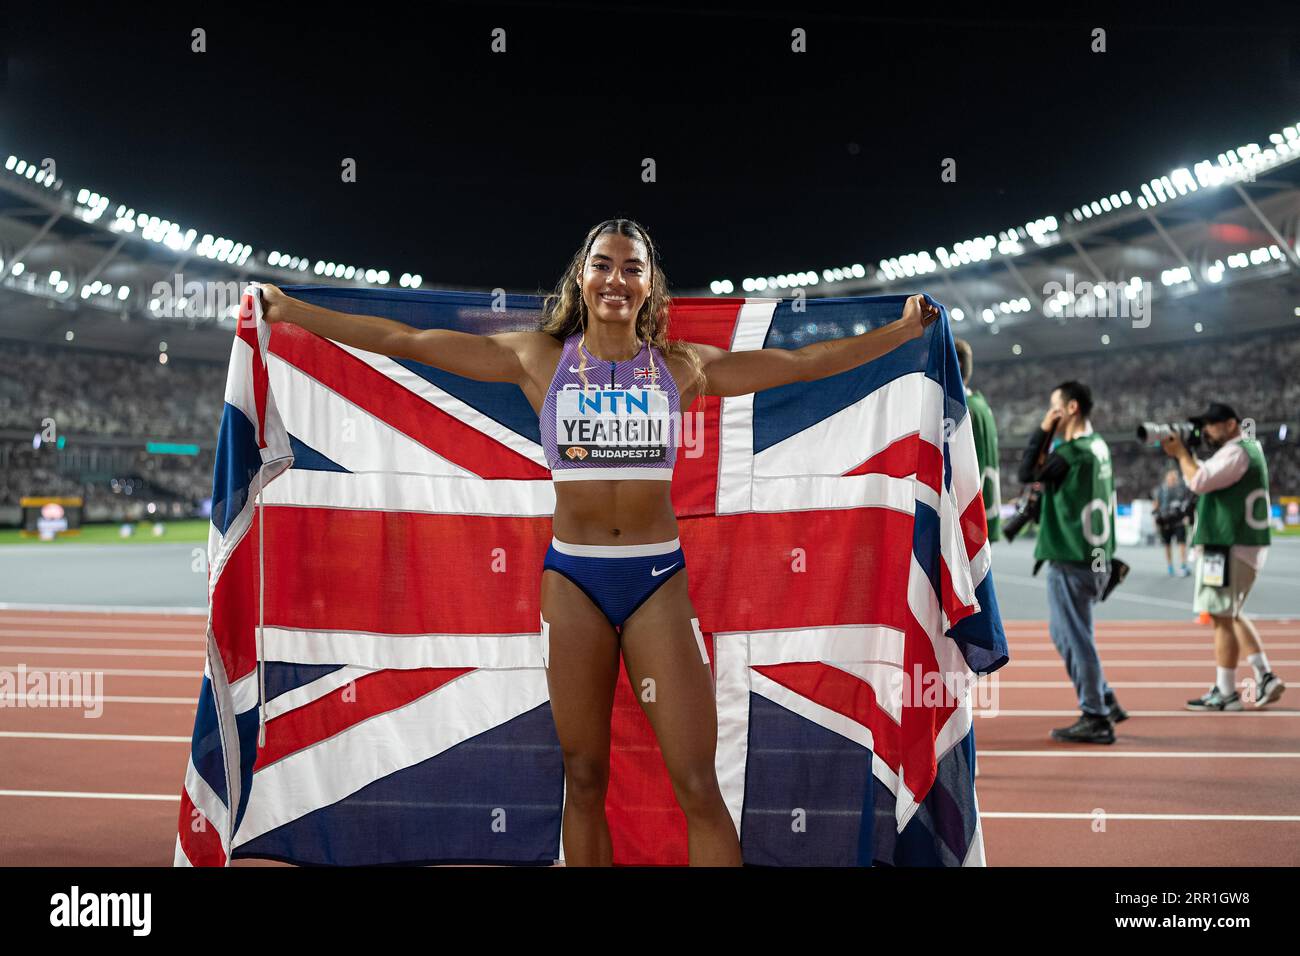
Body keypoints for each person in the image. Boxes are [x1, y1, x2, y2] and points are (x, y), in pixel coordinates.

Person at [254, 218, 940, 865]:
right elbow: (404, 340)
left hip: (656, 584)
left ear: (650, 286)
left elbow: (805, 363)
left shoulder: (682, 369)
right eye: (603, 265)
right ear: (581, 278)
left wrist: (903, 331)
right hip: (573, 580)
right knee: (583, 774)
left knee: (697, 781)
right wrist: (289, 311)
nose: (617, 278)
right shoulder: (538, 359)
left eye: (632, 268)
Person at [1017, 381, 1125, 744]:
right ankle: (1105, 698)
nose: (1051, 414)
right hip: (1097, 555)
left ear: (1071, 408)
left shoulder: (1072, 453)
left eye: (1055, 408)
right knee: (1067, 633)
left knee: (1076, 636)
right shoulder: (1098, 447)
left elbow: (1026, 471)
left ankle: (1096, 715)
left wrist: (1044, 429)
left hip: (1071, 554)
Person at [1161, 403, 1285, 711]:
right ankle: (1264, 675)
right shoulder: (1247, 447)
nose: (1206, 432)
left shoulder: (1236, 452)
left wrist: (1181, 455)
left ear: (1231, 424)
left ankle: (1226, 693)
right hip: (1240, 545)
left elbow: (1199, 481)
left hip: (1228, 546)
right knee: (1230, 613)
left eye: (1212, 425)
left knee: (1221, 618)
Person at [954, 338, 1000, 542]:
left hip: (966, 522)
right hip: (981, 515)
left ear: (957, 363)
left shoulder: (962, 409)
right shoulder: (981, 406)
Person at [1153, 468, 1192, 576]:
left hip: (1178, 521)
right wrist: (1155, 520)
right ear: (1167, 478)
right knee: (1167, 545)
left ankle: (1183, 565)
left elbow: (1186, 503)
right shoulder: (1160, 490)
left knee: (1182, 543)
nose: (1173, 479)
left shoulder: (1182, 489)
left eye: (1175, 477)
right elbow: (1156, 505)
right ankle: (1170, 566)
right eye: (1171, 477)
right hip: (1165, 522)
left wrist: (1186, 517)